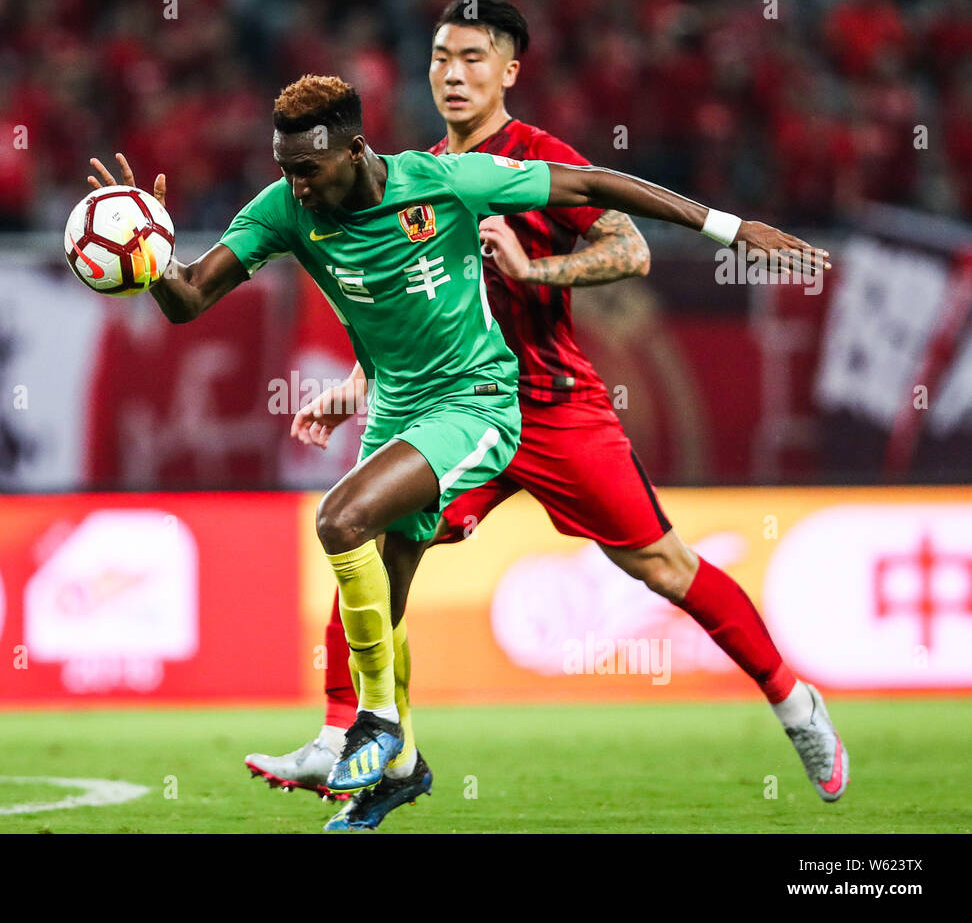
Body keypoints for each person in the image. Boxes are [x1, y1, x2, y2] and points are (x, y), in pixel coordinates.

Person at [91, 68, 827, 832]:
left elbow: (594, 186)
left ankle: (369, 728)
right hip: (397, 415)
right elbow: (187, 300)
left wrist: (729, 229)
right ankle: (391, 763)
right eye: (285, 169)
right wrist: (146, 248)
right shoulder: (284, 209)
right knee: (379, 590)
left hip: (477, 400)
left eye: (308, 169)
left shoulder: (444, 182)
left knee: (341, 522)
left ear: (354, 149)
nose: (296, 186)